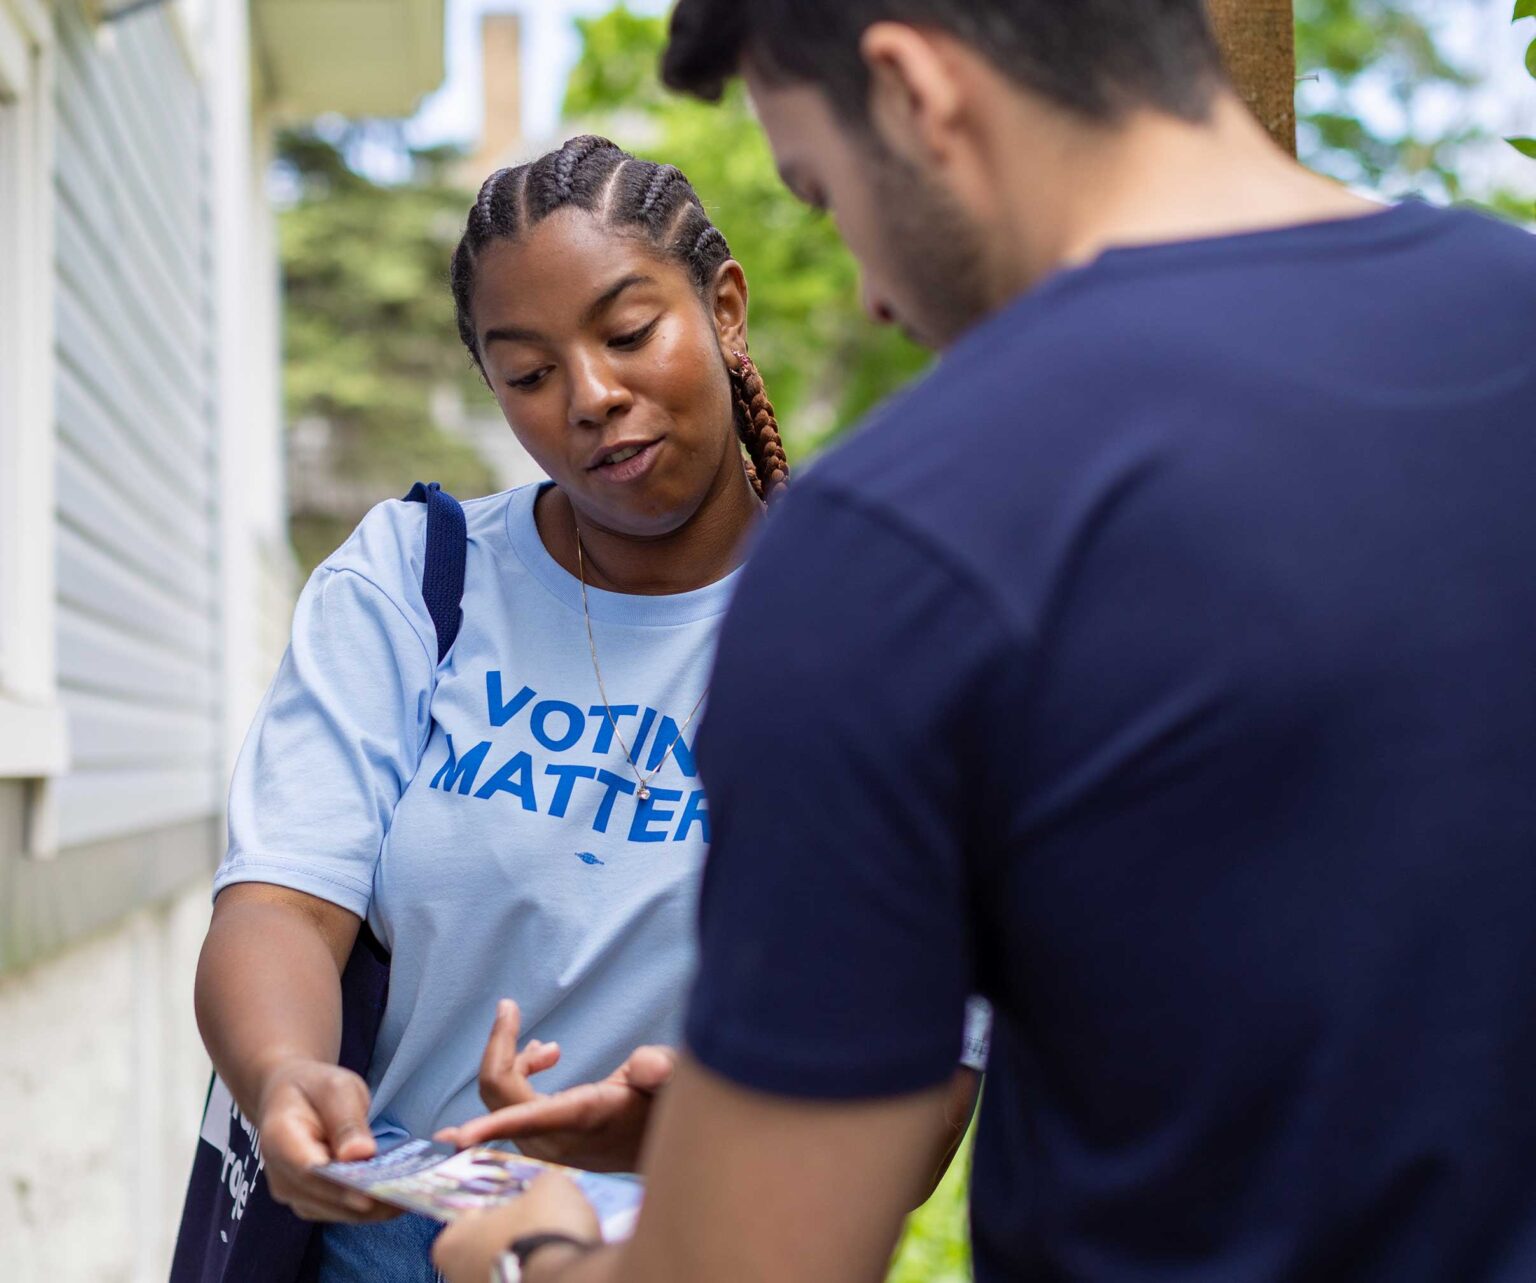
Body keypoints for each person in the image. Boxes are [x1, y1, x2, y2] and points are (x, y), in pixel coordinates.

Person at [430, 2, 1536, 1282]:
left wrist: (532, 1249)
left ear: (914, 91)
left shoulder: (896, 546)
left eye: (828, 192)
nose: (871, 291)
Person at [193, 135, 813, 1282]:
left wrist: (685, 1131)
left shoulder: (865, 627)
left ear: (726, 309)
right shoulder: (415, 580)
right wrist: (283, 1071)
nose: (592, 397)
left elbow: (926, 1079)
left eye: (629, 333)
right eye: (528, 375)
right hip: (382, 1227)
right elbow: (281, 903)